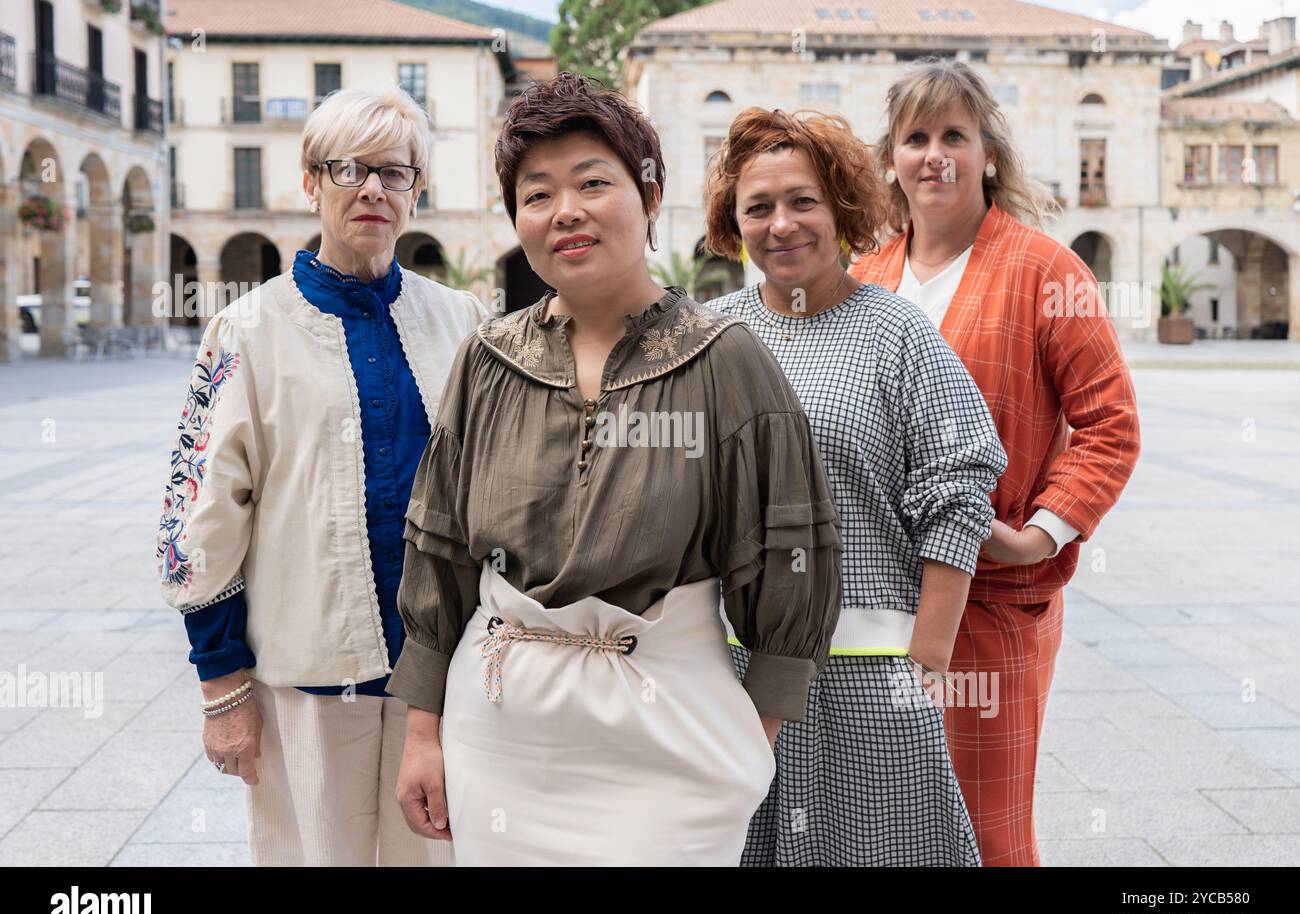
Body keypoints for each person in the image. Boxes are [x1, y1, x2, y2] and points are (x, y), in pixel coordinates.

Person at [386, 73, 842, 866]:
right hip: (501, 740)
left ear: (649, 195)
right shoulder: (488, 361)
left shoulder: (725, 361)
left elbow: (789, 557)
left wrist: (750, 747)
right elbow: (440, 549)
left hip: (671, 748)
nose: (565, 210)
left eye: (593, 182)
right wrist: (422, 733)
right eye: (537, 194)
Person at [155, 87, 485, 866]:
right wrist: (222, 688)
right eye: (347, 169)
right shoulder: (246, 330)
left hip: (439, 681)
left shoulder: (464, 323)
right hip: (308, 678)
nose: (372, 188)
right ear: (311, 183)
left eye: (394, 172)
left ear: (417, 190)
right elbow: (197, 517)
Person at [848, 59, 1141, 865]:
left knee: (985, 832)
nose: (934, 154)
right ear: (893, 159)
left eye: (954, 135)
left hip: (988, 607)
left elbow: (1110, 423)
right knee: (878, 826)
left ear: (988, 155)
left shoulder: (1046, 271)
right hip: (871, 605)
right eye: (916, 137)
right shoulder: (863, 279)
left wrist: (1040, 533)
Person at [703, 107, 1006, 866]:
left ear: (840, 205)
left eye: (803, 200)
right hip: (730, 678)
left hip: (871, 679)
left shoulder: (898, 333)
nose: (782, 224)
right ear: (733, 223)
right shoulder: (708, 338)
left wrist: (927, 665)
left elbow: (958, 490)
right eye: (759, 207)